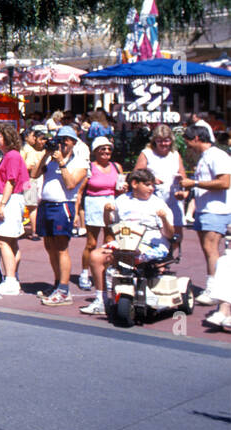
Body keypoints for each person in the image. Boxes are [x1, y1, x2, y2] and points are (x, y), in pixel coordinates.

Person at [80, 167, 174, 315]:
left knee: (131, 257)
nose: (152, 188)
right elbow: (109, 225)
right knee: (96, 256)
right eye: (148, 184)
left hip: (150, 243)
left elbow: (169, 234)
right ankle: (102, 299)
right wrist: (106, 211)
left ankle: (141, 293)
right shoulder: (122, 200)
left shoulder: (158, 204)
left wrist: (164, 219)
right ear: (135, 184)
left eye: (152, 185)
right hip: (126, 241)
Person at [34, 125, 89, 305]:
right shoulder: (50, 159)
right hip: (46, 205)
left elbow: (71, 184)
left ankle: (64, 290)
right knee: (49, 245)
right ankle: (58, 283)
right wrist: (45, 155)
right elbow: (34, 174)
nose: (63, 143)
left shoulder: (79, 162)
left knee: (61, 247)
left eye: (67, 140)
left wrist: (62, 163)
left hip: (63, 205)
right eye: (61, 139)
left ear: (73, 142)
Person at [179, 124, 231, 296]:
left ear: (196, 138)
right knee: (207, 250)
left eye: (188, 142)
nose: (187, 146)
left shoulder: (217, 156)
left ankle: (213, 289)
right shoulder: (204, 157)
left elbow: (224, 182)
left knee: (211, 249)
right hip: (204, 208)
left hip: (215, 210)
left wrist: (193, 183)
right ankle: (212, 285)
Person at [76, 135, 125, 295]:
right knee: (91, 243)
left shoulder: (116, 167)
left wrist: (122, 189)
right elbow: (80, 191)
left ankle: (107, 273)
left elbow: (118, 187)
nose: (106, 152)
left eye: (109, 149)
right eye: (102, 149)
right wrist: (76, 212)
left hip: (111, 204)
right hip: (94, 204)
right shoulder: (90, 167)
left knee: (109, 242)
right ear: (96, 151)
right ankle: (85, 272)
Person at [133, 124, 184, 262]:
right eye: (160, 140)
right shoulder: (147, 153)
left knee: (175, 232)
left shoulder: (175, 155)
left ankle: (168, 258)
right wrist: (152, 179)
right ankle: (154, 260)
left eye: (166, 140)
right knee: (156, 231)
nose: (163, 143)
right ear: (154, 140)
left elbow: (183, 177)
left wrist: (181, 184)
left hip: (173, 198)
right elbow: (137, 174)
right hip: (154, 198)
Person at [0, 123, 29, 295]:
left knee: (4, 241)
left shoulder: (12, 156)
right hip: (11, 199)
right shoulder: (10, 155)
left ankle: (11, 280)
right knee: (11, 241)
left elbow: (10, 181)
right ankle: (13, 276)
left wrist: (2, 205)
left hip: (9, 200)